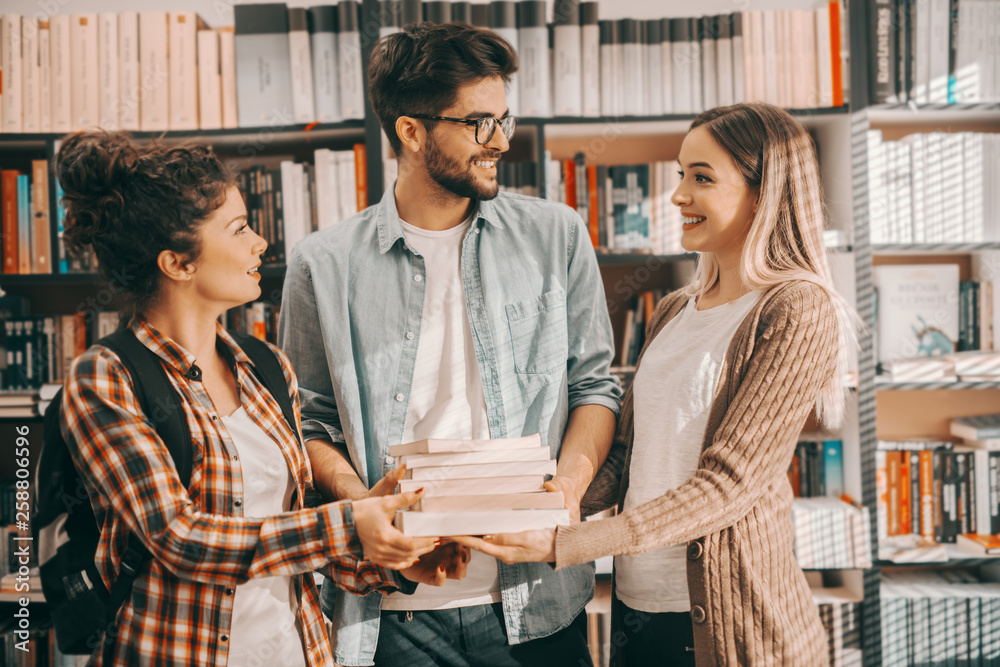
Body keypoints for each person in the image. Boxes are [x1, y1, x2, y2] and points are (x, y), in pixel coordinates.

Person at [456, 102, 857, 666]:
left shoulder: (796, 309)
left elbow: (728, 486)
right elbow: (628, 457)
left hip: (732, 622)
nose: (678, 197)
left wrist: (563, 545)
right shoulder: (674, 310)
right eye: (680, 175)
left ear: (763, 193)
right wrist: (541, 502)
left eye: (702, 178)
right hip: (637, 610)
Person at [278, 21, 622, 667]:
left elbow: (594, 386)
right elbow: (306, 423)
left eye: (504, 118)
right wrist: (365, 506)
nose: (501, 141)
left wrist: (568, 492)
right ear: (411, 131)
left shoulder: (557, 235)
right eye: (478, 124)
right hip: (390, 615)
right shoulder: (321, 264)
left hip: (539, 603)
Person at [55, 131, 468, 667]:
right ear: (178, 263)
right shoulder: (107, 378)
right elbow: (180, 539)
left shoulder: (268, 368)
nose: (260, 243)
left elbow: (298, 531)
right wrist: (352, 522)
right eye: (239, 228)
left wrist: (390, 559)